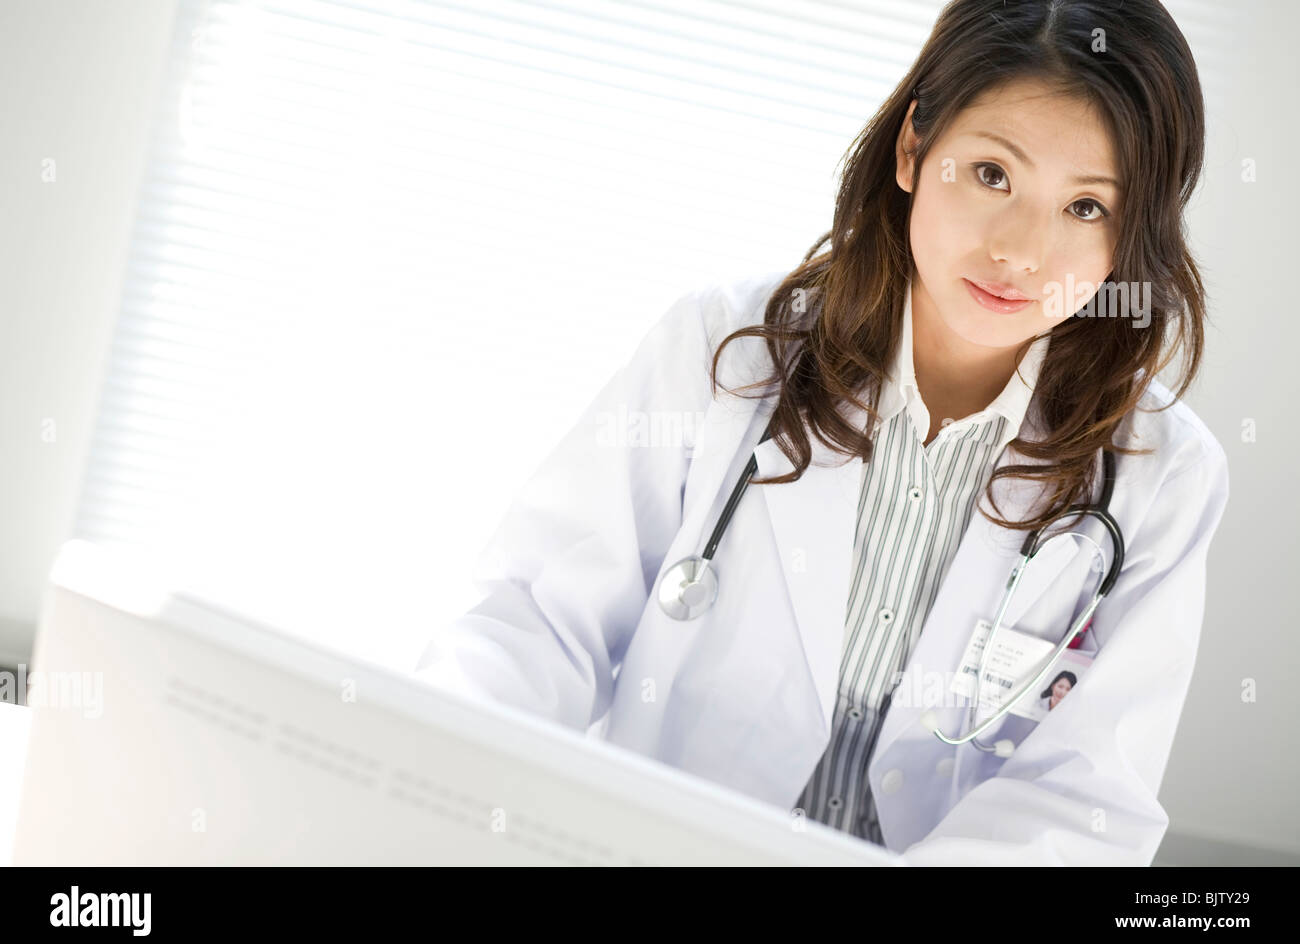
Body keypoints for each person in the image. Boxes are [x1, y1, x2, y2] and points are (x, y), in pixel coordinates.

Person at [416, 0, 1229, 866]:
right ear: (914, 148)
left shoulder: (1159, 480)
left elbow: (1081, 802)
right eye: (993, 174)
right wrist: (439, 793)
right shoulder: (722, 351)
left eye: (1087, 209)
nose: (1024, 252)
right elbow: (536, 626)